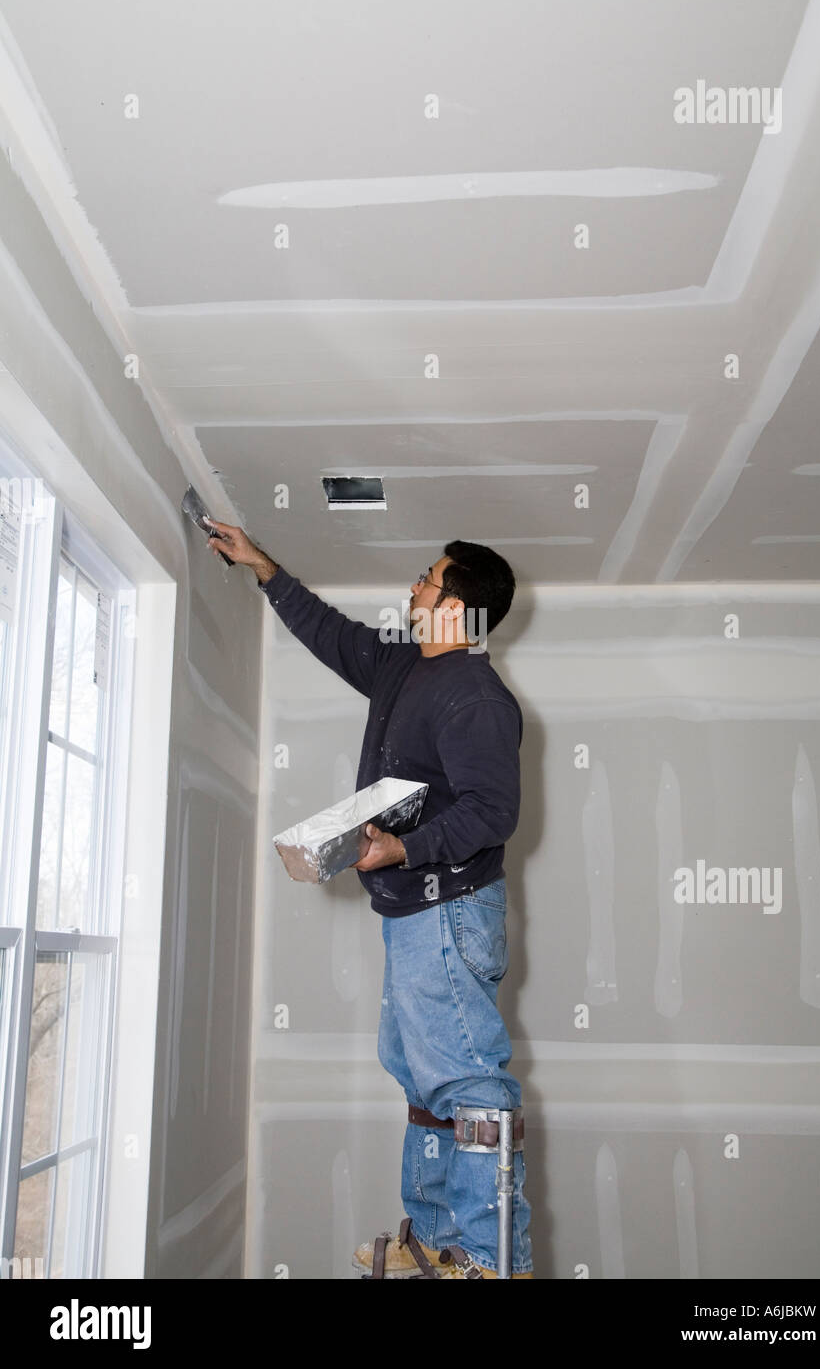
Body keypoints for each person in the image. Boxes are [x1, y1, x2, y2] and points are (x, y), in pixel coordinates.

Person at [205, 521, 533, 1279]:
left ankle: (486, 1258)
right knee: (418, 1071)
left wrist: (402, 847)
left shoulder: (476, 695)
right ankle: (433, 1240)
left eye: (427, 577)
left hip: (450, 905)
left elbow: (492, 812)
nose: (413, 586)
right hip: (414, 911)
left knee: (465, 1076)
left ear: (456, 606)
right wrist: (263, 568)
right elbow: (331, 633)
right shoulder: (403, 668)